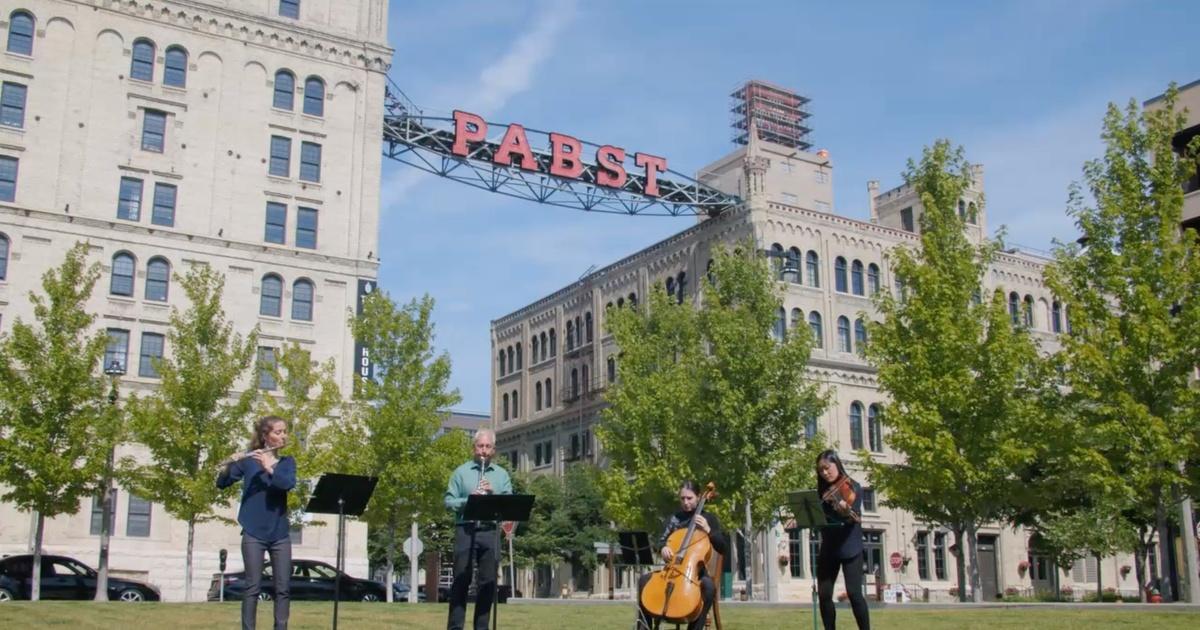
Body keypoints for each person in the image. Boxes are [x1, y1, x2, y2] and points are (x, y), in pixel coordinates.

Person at [217, 415, 296, 630]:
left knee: (283, 588)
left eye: (284, 432)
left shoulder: (287, 463)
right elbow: (222, 483)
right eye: (278, 432)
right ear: (265, 436)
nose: (283, 436)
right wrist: (228, 464)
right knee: (252, 587)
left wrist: (269, 468)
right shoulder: (249, 460)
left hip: (279, 533)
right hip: (253, 532)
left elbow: (286, 484)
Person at [636, 481, 729, 630]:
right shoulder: (674, 518)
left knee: (709, 587)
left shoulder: (708, 519)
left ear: (699, 497)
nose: (685, 502)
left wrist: (708, 530)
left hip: (696, 574)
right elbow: (659, 541)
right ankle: (643, 627)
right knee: (644, 580)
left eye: (689, 498)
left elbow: (722, 547)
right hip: (671, 570)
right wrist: (663, 547)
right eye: (682, 498)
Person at [444, 429, 512, 630]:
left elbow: (509, 502)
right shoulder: (461, 472)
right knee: (461, 580)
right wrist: (469, 500)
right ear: (474, 448)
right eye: (480, 446)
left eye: (488, 446)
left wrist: (493, 493)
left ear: (493, 450)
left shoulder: (501, 475)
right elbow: (448, 501)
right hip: (466, 529)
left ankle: (481, 627)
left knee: (488, 582)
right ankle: (455, 627)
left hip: (490, 530)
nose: (483, 450)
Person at [815, 449, 870, 630]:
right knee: (824, 595)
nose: (825, 473)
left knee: (854, 594)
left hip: (850, 547)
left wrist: (846, 512)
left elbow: (853, 516)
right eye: (821, 470)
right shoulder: (821, 492)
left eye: (827, 468)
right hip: (829, 548)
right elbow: (818, 519)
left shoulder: (854, 487)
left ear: (837, 464)